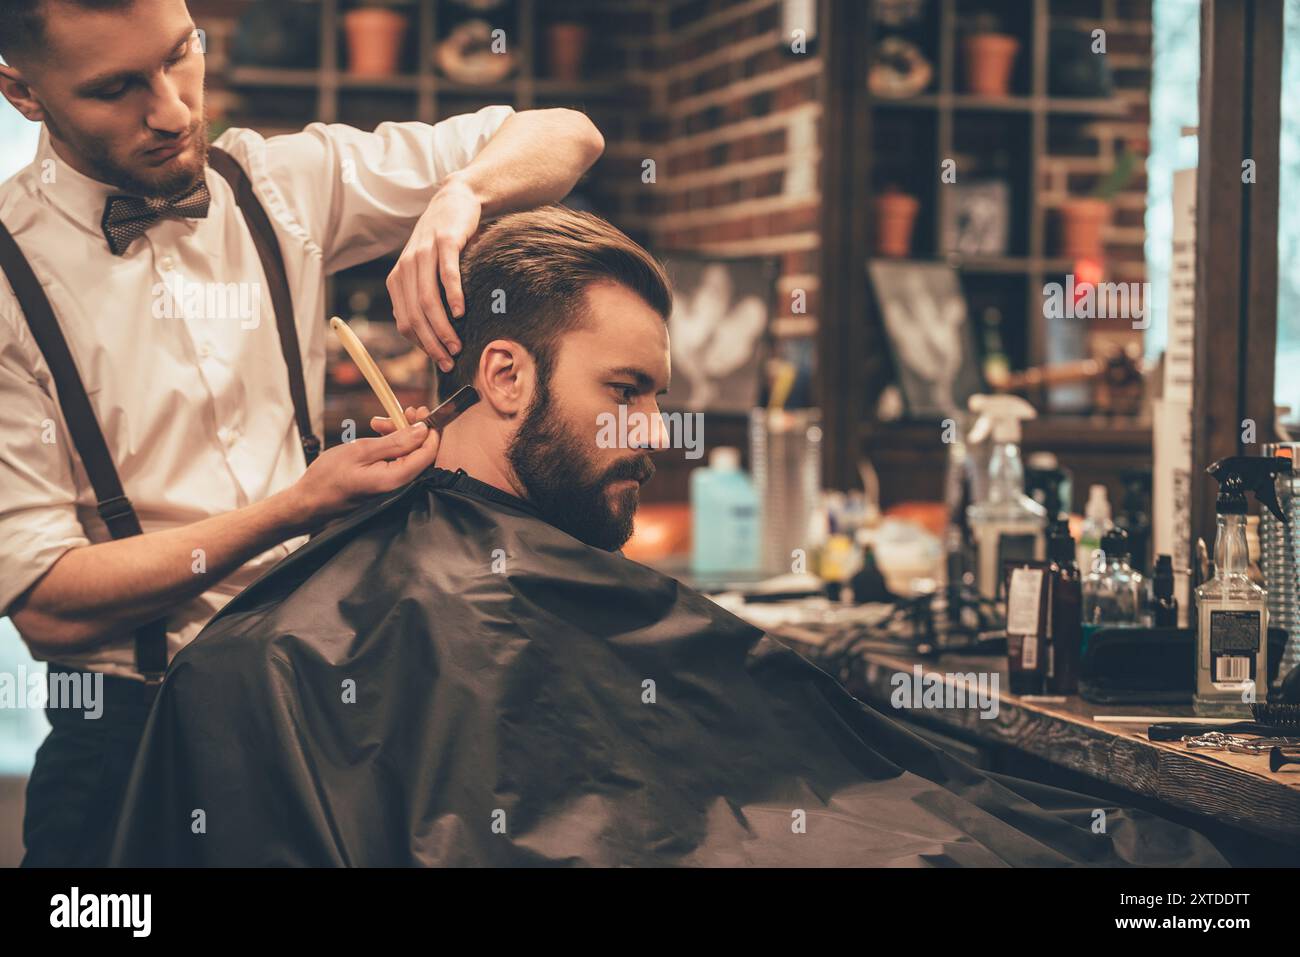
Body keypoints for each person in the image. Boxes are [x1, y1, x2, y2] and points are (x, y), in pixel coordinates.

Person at [112, 206, 1228, 866]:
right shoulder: (306, 646)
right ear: (504, 375)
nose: (657, 432)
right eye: (627, 391)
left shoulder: (508, 583)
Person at [0, 0, 603, 866]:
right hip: (124, 741)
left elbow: (567, 134)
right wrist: (300, 507)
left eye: (181, 56)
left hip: (303, 708)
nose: (172, 109)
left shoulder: (280, 184)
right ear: (22, 91)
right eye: (116, 88)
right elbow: (50, 603)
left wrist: (458, 196)